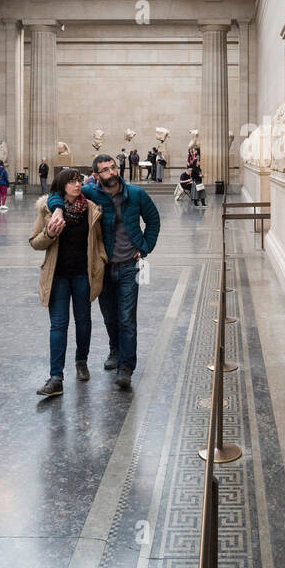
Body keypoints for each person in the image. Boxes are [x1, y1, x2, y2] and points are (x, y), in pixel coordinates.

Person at [82, 153, 160, 390]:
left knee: (126, 317)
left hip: (128, 265)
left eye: (113, 168)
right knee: (109, 315)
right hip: (103, 267)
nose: (111, 172)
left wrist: (144, 247)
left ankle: (126, 367)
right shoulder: (90, 194)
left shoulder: (136, 194)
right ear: (96, 176)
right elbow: (58, 194)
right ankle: (114, 350)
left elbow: (154, 220)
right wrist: (55, 209)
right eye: (105, 170)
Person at [31, 168, 107, 396]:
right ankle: (56, 376)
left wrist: (100, 260)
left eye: (79, 181)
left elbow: (99, 240)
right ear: (62, 185)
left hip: (83, 274)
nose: (77, 185)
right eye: (72, 181)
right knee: (58, 324)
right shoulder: (48, 209)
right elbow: (35, 242)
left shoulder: (91, 209)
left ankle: (81, 360)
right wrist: (50, 234)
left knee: (83, 321)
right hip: (58, 276)